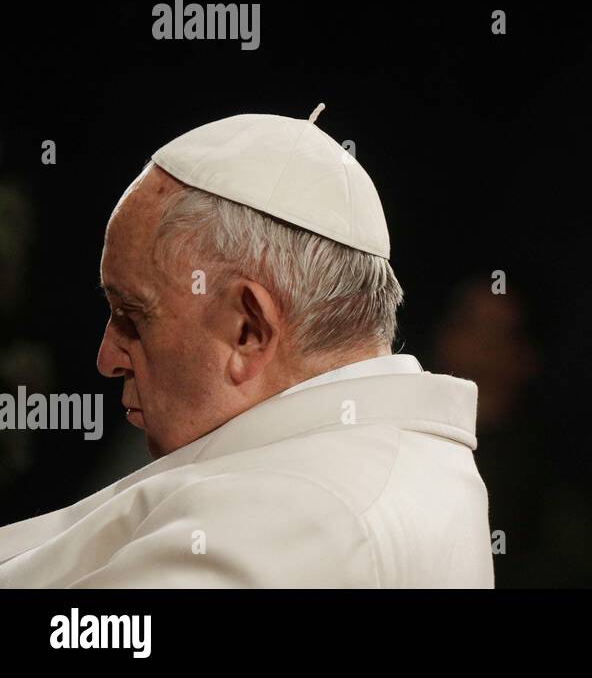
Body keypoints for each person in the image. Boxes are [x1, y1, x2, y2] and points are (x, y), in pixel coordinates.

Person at [0, 106, 493, 587]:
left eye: (133, 317)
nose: (107, 359)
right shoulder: (400, 466)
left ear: (248, 332)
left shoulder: (287, 515)